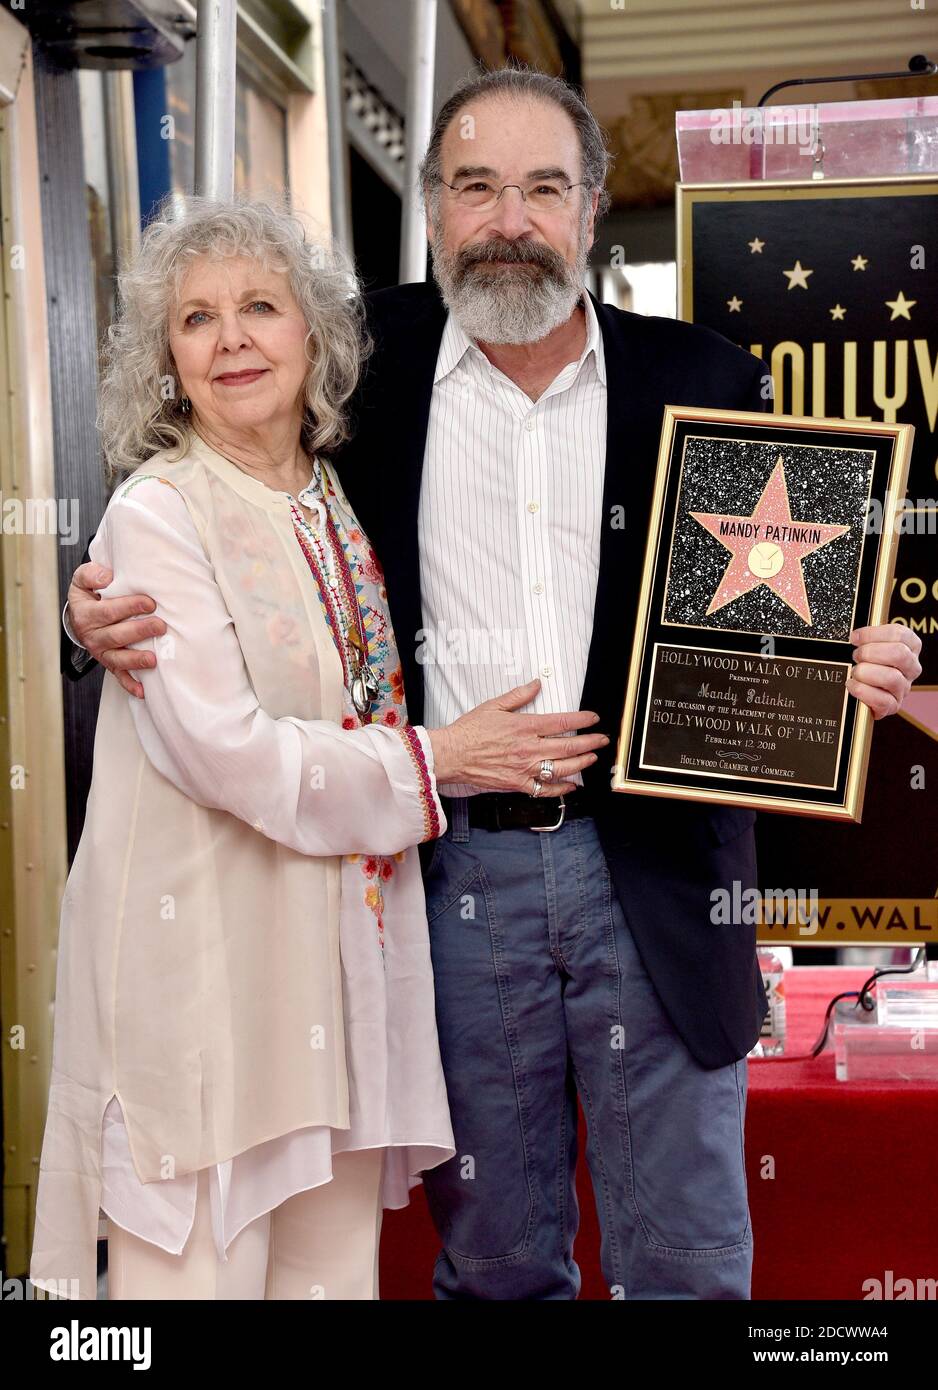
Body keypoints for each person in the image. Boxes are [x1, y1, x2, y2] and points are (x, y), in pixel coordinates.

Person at [64, 69, 922, 1300]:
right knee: (496, 1266)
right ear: (431, 211)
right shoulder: (353, 369)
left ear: (587, 215)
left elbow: (782, 617)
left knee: (685, 1264)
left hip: (662, 872)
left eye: (542, 188)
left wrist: (852, 655)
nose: (508, 219)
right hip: (441, 876)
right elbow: (212, 493)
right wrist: (93, 595)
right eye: (476, 187)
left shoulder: (711, 380)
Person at [31, 195, 607, 1302]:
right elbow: (230, 754)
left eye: (260, 306)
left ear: (317, 336)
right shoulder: (159, 513)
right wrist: (443, 760)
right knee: (186, 1282)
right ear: (166, 358)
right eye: (196, 320)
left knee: (327, 1282)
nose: (232, 338)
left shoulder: (333, 494)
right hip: (205, 984)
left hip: (336, 986)